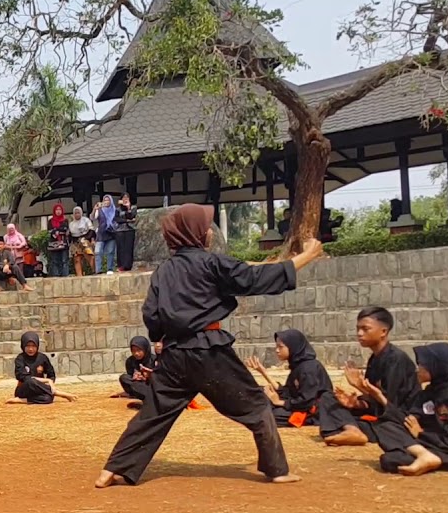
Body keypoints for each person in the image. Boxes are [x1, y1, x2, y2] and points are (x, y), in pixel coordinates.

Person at [95, 203, 325, 489]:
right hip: (209, 350)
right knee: (256, 405)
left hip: (175, 354)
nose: (209, 233)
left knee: (152, 414)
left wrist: (159, 337)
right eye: (205, 228)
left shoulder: (163, 272)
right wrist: (307, 256)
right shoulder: (212, 263)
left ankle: (111, 470)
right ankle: (276, 469)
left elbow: (151, 315)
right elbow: (255, 279)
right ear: (195, 234)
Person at [365, 343, 448, 476]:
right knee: (386, 439)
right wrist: (379, 396)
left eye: (423, 365)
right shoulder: (430, 390)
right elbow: (409, 419)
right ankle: (425, 456)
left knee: (395, 460)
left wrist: (421, 434)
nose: (418, 369)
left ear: (438, 366)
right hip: (433, 443)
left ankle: (428, 457)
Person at [314, 307, 420, 445]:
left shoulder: (396, 359)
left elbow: (389, 402)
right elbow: (373, 400)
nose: (359, 333)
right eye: (358, 329)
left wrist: (360, 386)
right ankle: (352, 430)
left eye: (365, 329)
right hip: (380, 412)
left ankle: (351, 429)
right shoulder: (375, 358)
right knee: (328, 398)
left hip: (397, 418)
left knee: (338, 421)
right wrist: (356, 403)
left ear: (383, 331)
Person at [248, 329, 334, 431]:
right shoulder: (298, 365)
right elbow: (288, 392)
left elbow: (306, 402)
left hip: (311, 411)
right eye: (277, 346)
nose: (277, 350)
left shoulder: (308, 369)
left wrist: (279, 402)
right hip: (298, 404)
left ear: (293, 347)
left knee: (269, 416)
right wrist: (263, 372)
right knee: (260, 393)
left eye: (281, 347)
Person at [6, 332, 77, 404]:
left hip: (39, 390)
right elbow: (23, 377)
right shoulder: (20, 359)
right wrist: (46, 380)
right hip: (24, 389)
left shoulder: (42, 358)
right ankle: (59, 393)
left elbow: (51, 374)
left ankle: (22, 400)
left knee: (48, 398)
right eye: (28, 346)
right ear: (23, 346)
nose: (31, 349)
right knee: (31, 381)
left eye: (33, 346)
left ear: (37, 346)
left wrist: (50, 382)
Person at [112, 336, 155, 407]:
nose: (136, 353)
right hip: (136, 384)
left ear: (145, 349)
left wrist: (146, 378)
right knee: (124, 378)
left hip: (149, 385)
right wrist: (135, 377)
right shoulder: (130, 361)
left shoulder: (154, 360)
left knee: (137, 386)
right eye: (133, 351)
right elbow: (130, 376)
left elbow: (160, 379)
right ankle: (132, 393)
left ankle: (148, 397)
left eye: (139, 350)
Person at [93, 195, 118, 274]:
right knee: (98, 252)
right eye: (105, 200)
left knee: (110, 252)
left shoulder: (114, 210)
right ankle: (98, 270)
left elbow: (118, 220)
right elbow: (93, 217)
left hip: (111, 233)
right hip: (101, 234)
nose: (106, 202)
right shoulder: (100, 210)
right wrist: (95, 209)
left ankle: (109, 269)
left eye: (108, 200)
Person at [66, 205, 94, 276]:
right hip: (75, 242)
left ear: (81, 213)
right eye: (75, 213)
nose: (77, 214)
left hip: (84, 240)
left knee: (89, 256)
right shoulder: (71, 224)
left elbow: (91, 231)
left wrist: (87, 238)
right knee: (77, 259)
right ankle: (79, 275)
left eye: (78, 213)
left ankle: (95, 271)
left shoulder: (86, 220)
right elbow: (70, 235)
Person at [115, 193, 138, 272]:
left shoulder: (133, 207)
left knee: (128, 248)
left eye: (127, 197)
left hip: (129, 229)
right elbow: (117, 219)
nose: (125, 199)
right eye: (124, 197)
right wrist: (126, 220)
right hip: (119, 230)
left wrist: (128, 208)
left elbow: (132, 216)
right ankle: (121, 265)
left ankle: (128, 265)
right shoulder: (117, 209)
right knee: (120, 248)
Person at [47, 207, 70, 278]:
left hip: (63, 242)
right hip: (54, 243)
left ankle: (65, 275)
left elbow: (65, 229)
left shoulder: (65, 220)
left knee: (64, 260)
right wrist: (58, 231)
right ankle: (56, 275)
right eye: (57, 210)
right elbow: (50, 231)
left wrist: (57, 230)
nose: (58, 211)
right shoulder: (51, 221)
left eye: (60, 210)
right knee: (54, 260)